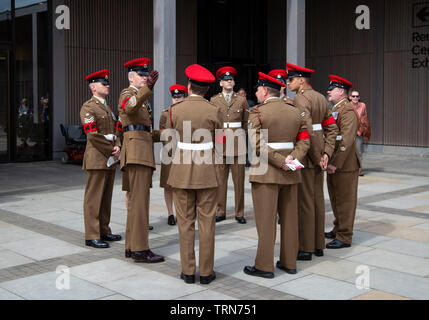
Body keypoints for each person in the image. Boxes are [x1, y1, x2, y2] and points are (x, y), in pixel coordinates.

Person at [243, 72, 310, 278]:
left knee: (266, 222)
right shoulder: (294, 111)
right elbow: (304, 141)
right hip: (291, 173)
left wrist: (281, 161)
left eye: (257, 89)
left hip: (266, 173)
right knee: (290, 220)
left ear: (264, 91)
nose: (256, 92)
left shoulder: (258, 112)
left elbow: (257, 146)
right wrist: (291, 159)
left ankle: (264, 266)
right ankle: (289, 262)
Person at [166, 64, 222, 285]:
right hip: (207, 170)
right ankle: (206, 272)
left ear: (188, 86)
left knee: (185, 222)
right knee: (207, 223)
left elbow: (171, 140)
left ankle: (188, 271)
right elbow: (220, 141)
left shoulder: (174, 110)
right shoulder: (214, 110)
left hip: (181, 170)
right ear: (206, 90)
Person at [286, 63, 338, 261]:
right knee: (316, 201)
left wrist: (318, 157)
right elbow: (331, 129)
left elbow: (306, 132)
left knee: (305, 203)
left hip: (308, 159)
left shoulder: (301, 98)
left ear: (301, 80)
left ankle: (306, 247)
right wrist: (326, 153)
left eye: (291, 79)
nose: (288, 82)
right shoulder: (321, 99)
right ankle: (318, 244)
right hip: (318, 157)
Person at [118, 58, 164, 263]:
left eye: (147, 75)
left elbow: (142, 129)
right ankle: (140, 249)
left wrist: (164, 134)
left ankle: (131, 246)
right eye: (142, 75)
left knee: (137, 201)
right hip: (137, 153)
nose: (146, 78)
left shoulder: (141, 97)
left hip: (140, 150)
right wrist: (149, 89)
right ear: (131, 77)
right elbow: (129, 109)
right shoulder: (128, 94)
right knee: (139, 203)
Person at [80, 69, 122, 249]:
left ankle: (104, 230)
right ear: (94, 87)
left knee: (106, 197)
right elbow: (92, 134)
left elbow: (117, 127)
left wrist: (118, 145)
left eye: (107, 83)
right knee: (94, 198)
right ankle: (92, 235)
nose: (108, 85)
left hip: (109, 158)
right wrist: (111, 148)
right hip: (97, 157)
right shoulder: (88, 107)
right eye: (104, 83)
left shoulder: (107, 107)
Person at [325, 75, 361, 249]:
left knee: (345, 200)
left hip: (345, 165)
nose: (328, 92)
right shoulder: (336, 108)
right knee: (336, 198)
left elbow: (346, 140)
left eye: (331, 89)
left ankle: (345, 236)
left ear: (341, 91)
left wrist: (335, 163)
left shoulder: (347, 110)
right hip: (336, 162)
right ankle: (338, 228)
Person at [211, 67, 249, 224]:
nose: (229, 81)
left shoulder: (241, 99)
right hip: (221, 141)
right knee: (220, 180)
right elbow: (212, 123)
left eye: (231, 79)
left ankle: (239, 212)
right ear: (220, 83)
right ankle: (220, 211)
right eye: (226, 79)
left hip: (237, 142)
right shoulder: (214, 100)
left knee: (239, 181)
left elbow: (246, 122)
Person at [159, 84, 188, 226]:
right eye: (174, 97)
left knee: (182, 185)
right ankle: (170, 213)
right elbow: (161, 133)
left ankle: (181, 211)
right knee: (168, 185)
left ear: (184, 97)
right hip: (169, 153)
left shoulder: (189, 113)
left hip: (184, 153)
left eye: (180, 97)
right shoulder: (165, 113)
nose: (177, 99)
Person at [349, 90, 370, 176]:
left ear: (359, 97)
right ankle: (349, 169)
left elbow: (365, 117)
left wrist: (363, 128)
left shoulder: (362, 105)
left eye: (357, 96)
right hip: (349, 131)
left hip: (359, 131)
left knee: (359, 151)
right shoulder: (347, 105)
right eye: (353, 96)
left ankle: (358, 170)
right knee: (348, 151)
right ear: (350, 97)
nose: (355, 98)